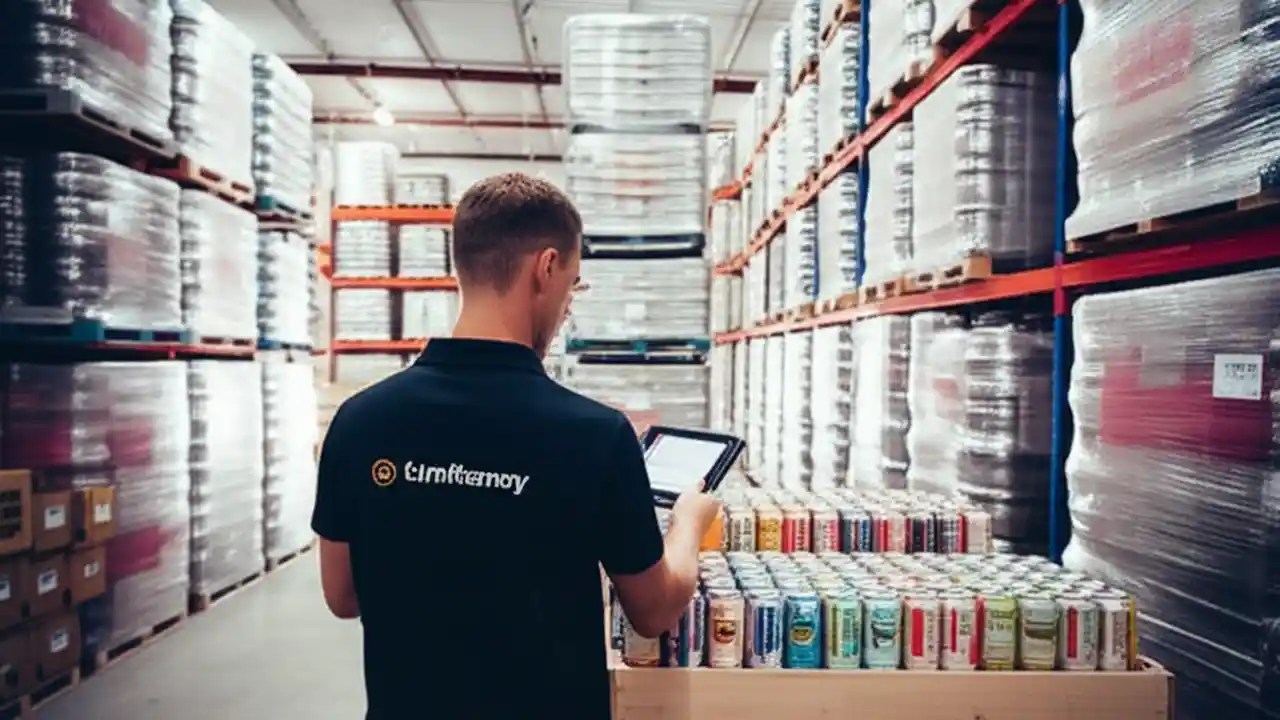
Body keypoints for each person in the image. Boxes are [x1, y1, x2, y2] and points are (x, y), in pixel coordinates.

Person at [312, 172, 722, 720]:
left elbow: (343, 597)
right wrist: (688, 524)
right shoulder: (594, 435)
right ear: (546, 267)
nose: (567, 305)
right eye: (573, 284)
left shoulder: (359, 420)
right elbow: (653, 611)